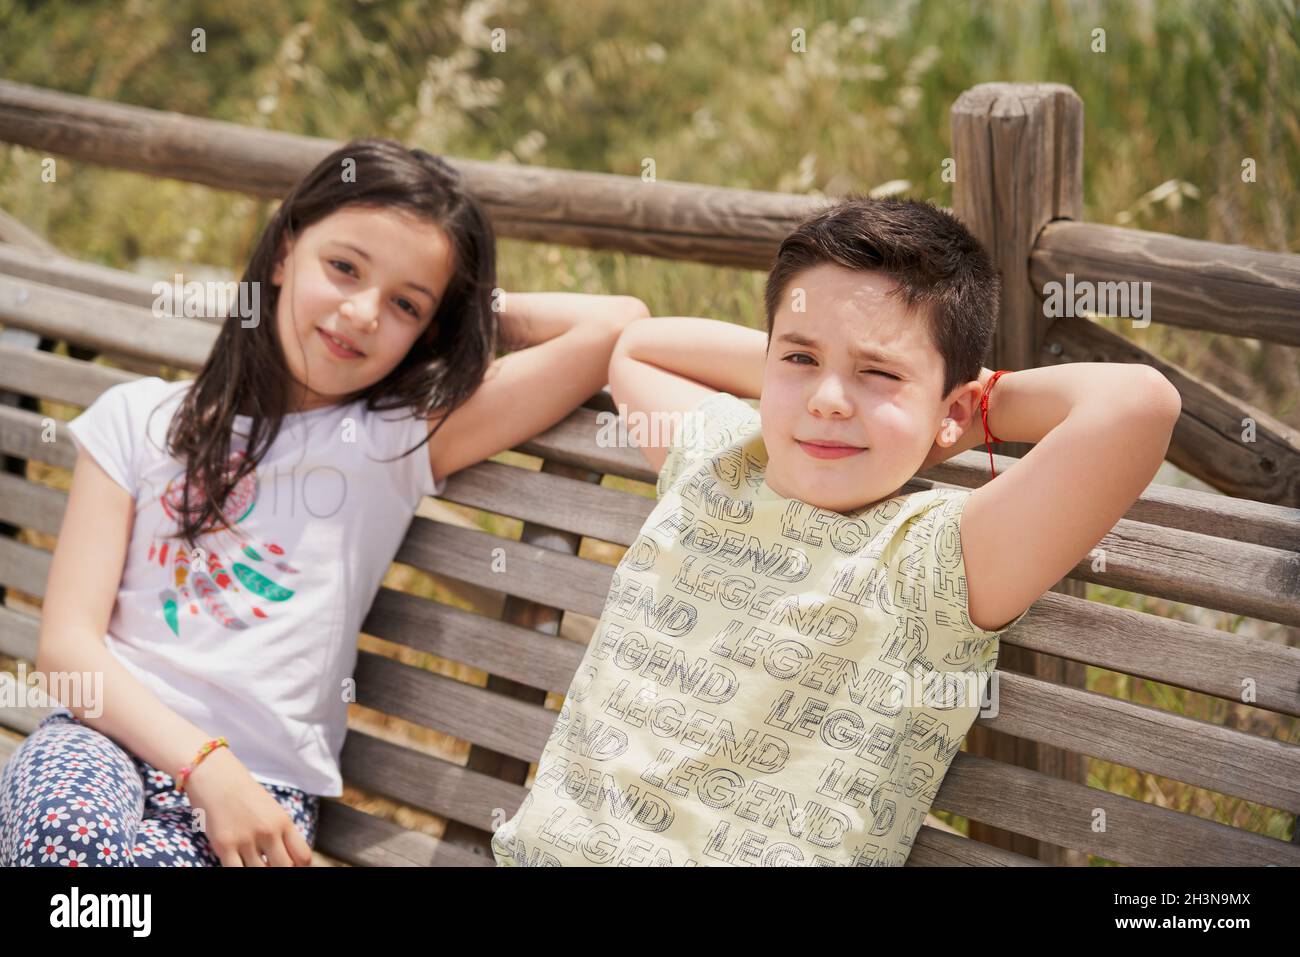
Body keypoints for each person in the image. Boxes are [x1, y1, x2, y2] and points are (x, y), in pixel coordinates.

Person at [0, 139, 648, 867]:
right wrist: (201, 762)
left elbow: (615, 322)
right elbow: (65, 651)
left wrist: (460, 321)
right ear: (282, 253)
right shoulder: (138, 419)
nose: (364, 312)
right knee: (65, 842)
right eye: (344, 267)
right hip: (103, 741)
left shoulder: (392, 440)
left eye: (405, 303)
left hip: (263, 789)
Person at [490, 196, 1181, 866]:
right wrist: (885, 402)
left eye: (878, 371)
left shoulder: (936, 559)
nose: (826, 400)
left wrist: (944, 415)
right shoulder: (721, 456)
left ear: (957, 410)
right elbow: (642, 348)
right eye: (799, 360)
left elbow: (1138, 405)